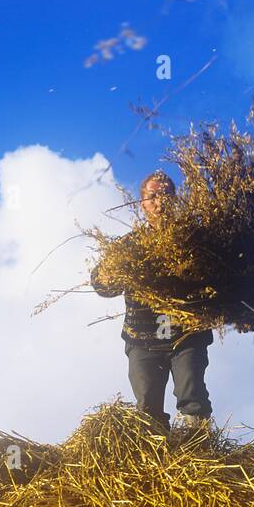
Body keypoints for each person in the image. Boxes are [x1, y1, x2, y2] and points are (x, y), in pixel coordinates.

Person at [90, 172, 213, 432]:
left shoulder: (194, 241)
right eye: (153, 196)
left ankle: (199, 450)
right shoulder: (130, 247)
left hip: (186, 336)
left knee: (193, 397)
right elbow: (102, 284)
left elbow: (217, 277)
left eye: (167, 195)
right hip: (142, 338)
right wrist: (107, 275)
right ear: (142, 204)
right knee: (147, 407)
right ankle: (157, 463)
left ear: (176, 200)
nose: (160, 201)